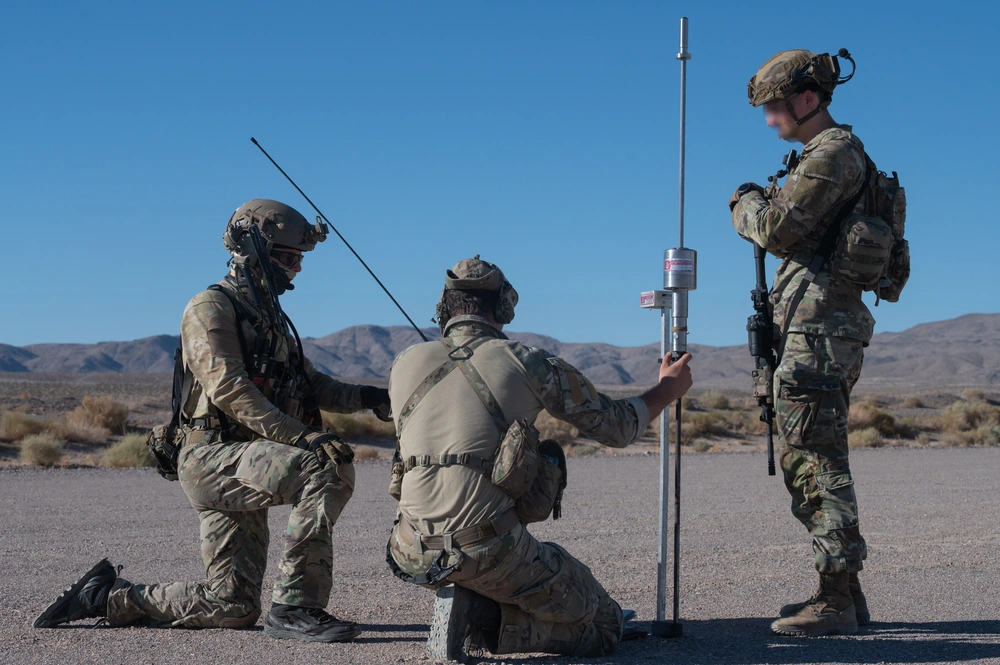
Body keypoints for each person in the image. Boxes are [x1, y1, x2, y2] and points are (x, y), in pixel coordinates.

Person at [34, 199, 392, 643]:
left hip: (248, 458)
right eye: (287, 257)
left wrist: (372, 398)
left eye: (299, 259)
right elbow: (230, 389)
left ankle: (106, 597)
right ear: (252, 249)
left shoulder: (270, 320)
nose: (296, 268)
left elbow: (312, 384)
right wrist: (305, 438)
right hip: (212, 457)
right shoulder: (210, 308)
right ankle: (297, 606)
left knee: (233, 606)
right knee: (326, 467)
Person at [385, 255, 692, 658]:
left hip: (409, 551)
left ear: (444, 308)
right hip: (489, 551)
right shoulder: (527, 361)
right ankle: (486, 620)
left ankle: (480, 597)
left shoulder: (403, 363)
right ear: (504, 307)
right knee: (606, 625)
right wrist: (666, 390)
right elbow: (616, 428)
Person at [730, 50, 877, 637]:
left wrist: (743, 205)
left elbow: (777, 229)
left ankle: (836, 599)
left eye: (775, 107)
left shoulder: (834, 155)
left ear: (808, 99)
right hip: (815, 329)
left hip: (819, 332)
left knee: (817, 463)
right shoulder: (827, 156)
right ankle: (845, 594)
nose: (770, 120)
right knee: (808, 460)